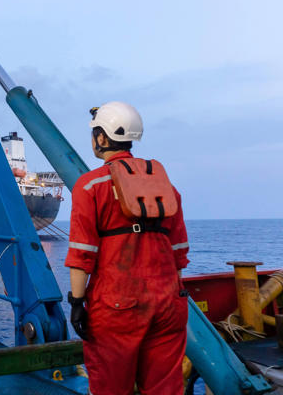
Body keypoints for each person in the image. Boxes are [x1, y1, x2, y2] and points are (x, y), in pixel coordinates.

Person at [64, 101, 189, 395]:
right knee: (165, 388)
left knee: (111, 388)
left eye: (94, 133)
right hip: (169, 303)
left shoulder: (90, 186)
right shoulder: (167, 189)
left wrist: (77, 304)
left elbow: (82, 255)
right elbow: (179, 254)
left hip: (117, 306)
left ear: (102, 137)